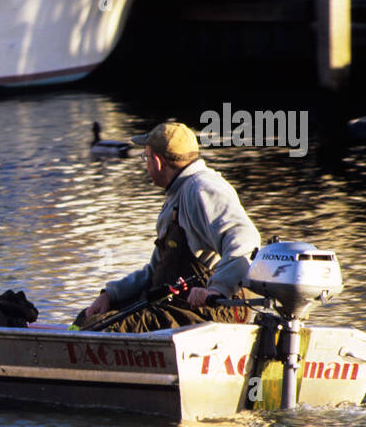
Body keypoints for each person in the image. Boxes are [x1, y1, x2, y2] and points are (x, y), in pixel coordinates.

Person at [78, 121, 261, 333]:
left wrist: (217, 290)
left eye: (145, 157)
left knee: (102, 329)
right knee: (92, 317)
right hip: (178, 306)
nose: (145, 163)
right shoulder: (177, 194)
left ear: (156, 161)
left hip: (211, 310)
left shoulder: (202, 189)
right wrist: (111, 294)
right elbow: (155, 272)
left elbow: (246, 240)